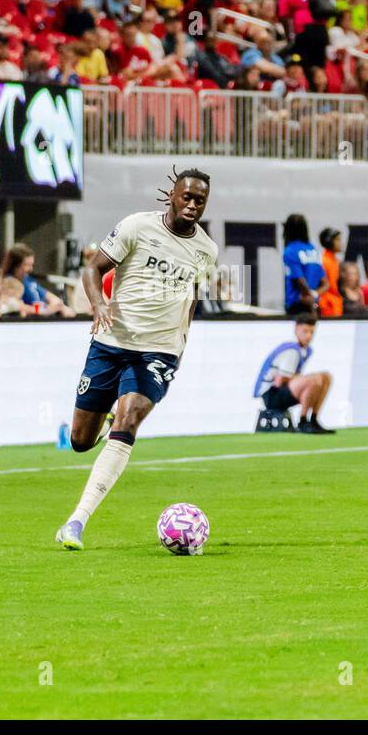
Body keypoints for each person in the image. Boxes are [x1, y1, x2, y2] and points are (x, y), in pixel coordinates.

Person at [55, 168, 219, 551]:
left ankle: (76, 522)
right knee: (81, 441)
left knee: (130, 418)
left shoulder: (206, 250)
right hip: (111, 343)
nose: (192, 205)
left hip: (158, 352)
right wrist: (98, 305)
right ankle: (106, 419)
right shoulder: (136, 227)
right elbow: (93, 269)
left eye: (200, 201)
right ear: (172, 196)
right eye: (187, 197)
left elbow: (191, 297)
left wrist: (181, 343)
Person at [253, 316, 335, 434]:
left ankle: (313, 419)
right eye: (305, 331)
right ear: (296, 329)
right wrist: (300, 379)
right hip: (271, 396)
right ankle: (303, 421)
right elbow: (279, 382)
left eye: (312, 332)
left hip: (281, 392)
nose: (309, 336)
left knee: (326, 377)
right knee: (314, 380)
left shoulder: (306, 350)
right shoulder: (292, 350)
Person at [2, 243, 73, 317]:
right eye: (27, 265)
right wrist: (43, 311)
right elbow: (14, 305)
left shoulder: (28, 280)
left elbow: (53, 298)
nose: (31, 269)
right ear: (16, 266)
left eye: (31, 265)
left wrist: (59, 307)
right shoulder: (9, 282)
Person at [282, 213, 326, 315]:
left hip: (298, 303)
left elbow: (300, 280)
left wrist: (308, 298)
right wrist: (314, 296)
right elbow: (325, 283)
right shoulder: (313, 250)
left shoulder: (290, 251)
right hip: (314, 303)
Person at [318, 228, 343, 318]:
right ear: (329, 241)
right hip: (328, 305)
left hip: (334, 304)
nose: (340, 243)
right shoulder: (324, 261)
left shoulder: (334, 260)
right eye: (337, 240)